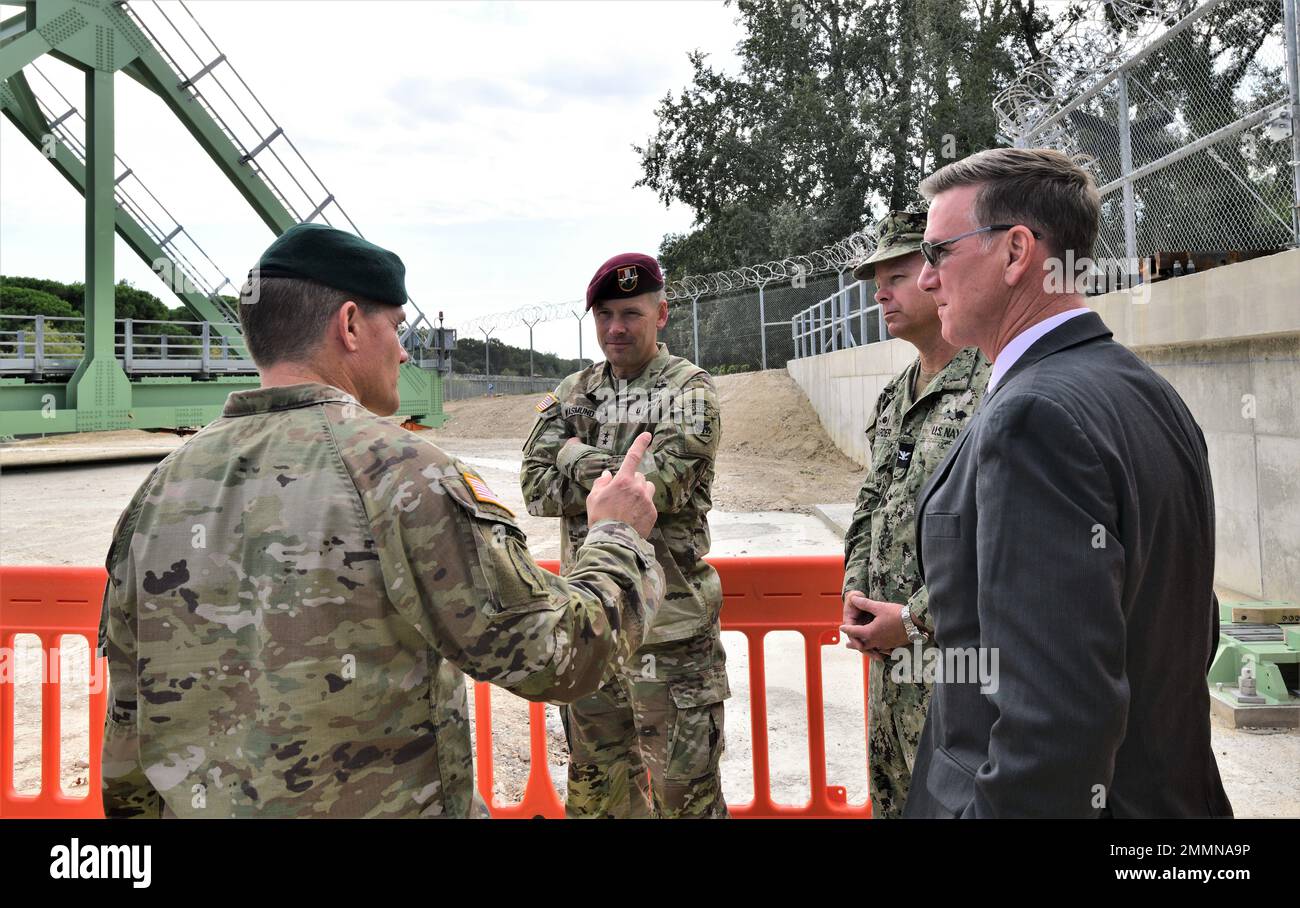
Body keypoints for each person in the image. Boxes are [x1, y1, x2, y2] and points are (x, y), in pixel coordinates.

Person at [98, 223, 665, 818]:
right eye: (395, 327)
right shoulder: (403, 475)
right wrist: (617, 535)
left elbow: (129, 744)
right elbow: (562, 654)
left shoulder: (156, 494)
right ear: (348, 325)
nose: (402, 351)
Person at [880, 147, 1232, 818]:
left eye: (939, 253)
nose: (925, 279)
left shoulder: (1031, 420)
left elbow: (1054, 728)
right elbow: (1191, 625)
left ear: (1016, 253)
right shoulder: (1145, 391)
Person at [521, 252, 728, 819]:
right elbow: (534, 490)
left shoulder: (690, 389)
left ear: (662, 314)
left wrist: (570, 453)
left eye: (631, 313)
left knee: (686, 802)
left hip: (673, 637)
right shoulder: (573, 389)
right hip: (594, 632)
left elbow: (649, 494)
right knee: (599, 801)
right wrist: (604, 477)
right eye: (605, 314)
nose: (616, 328)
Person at [838, 210, 989, 819]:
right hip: (891, 662)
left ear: (934, 276)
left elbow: (997, 539)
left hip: (955, 664)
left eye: (895, 275)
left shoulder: (992, 387)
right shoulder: (893, 393)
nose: (880, 293)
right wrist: (854, 582)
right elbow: (871, 500)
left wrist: (917, 619)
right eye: (876, 280)